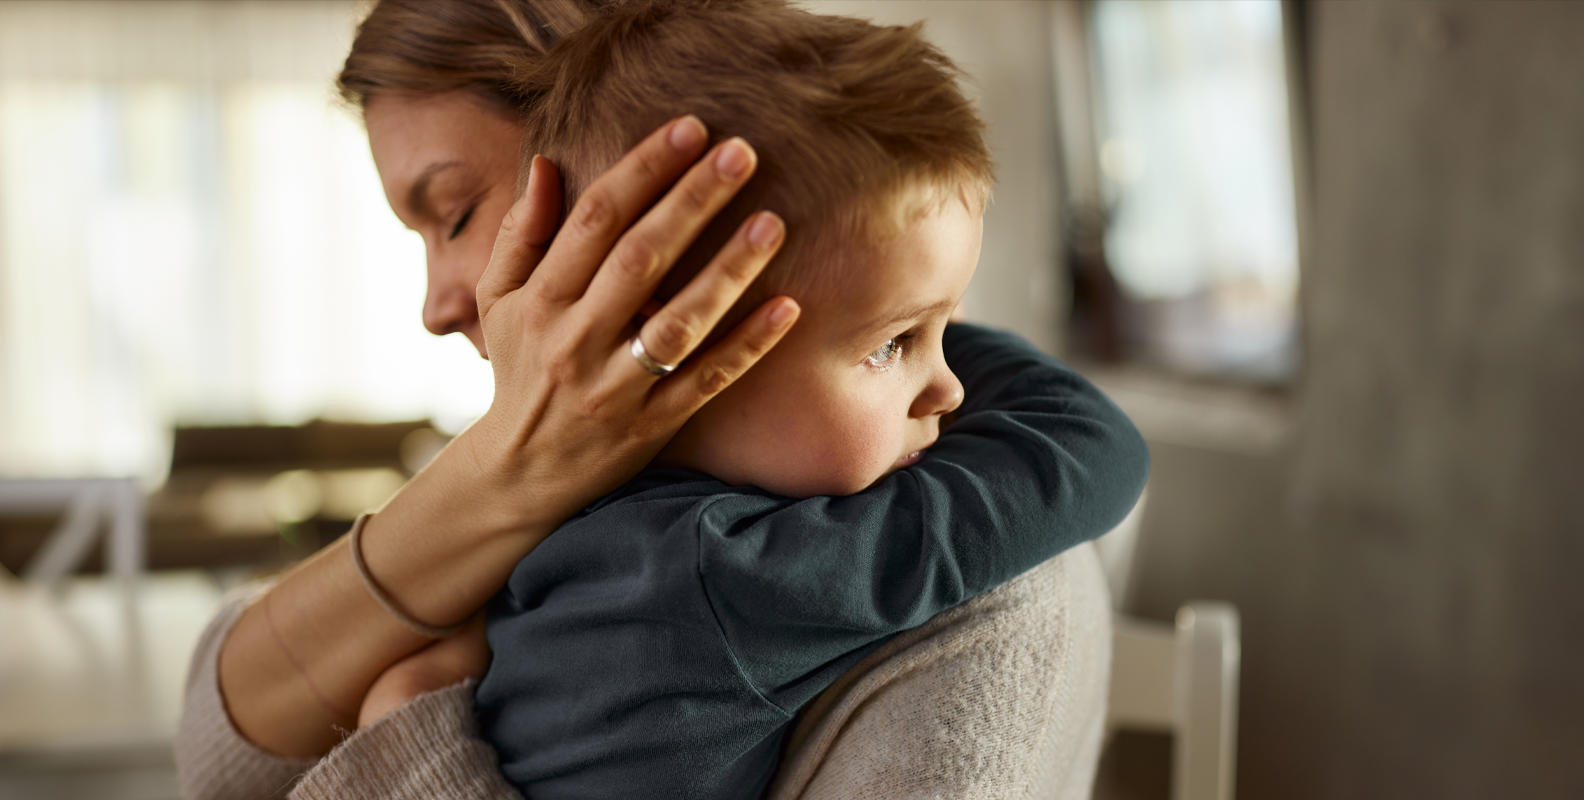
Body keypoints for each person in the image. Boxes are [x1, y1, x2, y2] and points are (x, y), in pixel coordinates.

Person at [173, 1, 1145, 798]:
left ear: (654, 204)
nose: (435, 305)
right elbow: (219, 753)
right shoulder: (606, 492)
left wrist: (407, 733)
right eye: (896, 341)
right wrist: (504, 468)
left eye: (457, 212)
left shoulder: (959, 558)